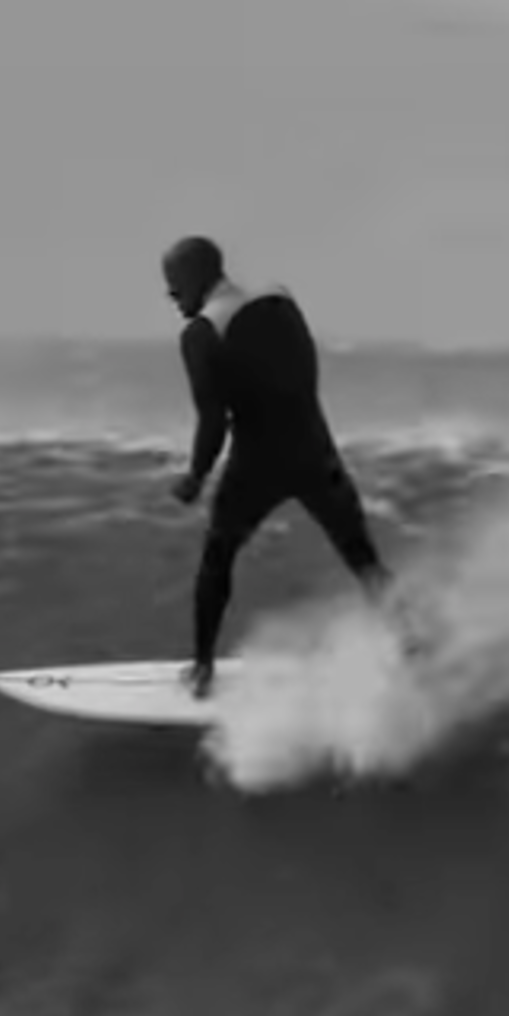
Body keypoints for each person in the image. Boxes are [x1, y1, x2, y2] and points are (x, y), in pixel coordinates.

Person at [162, 234, 388, 694]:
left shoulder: (201, 333)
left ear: (193, 279)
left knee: (217, 559)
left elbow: (213, 421)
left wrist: (195, 477)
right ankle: (413, 642)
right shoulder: (280, 297)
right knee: (362, 558)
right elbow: (305, 368)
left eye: (174, 289)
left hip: (257, 464)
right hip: (315, 450)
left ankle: (202, 669)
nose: (174, 300)